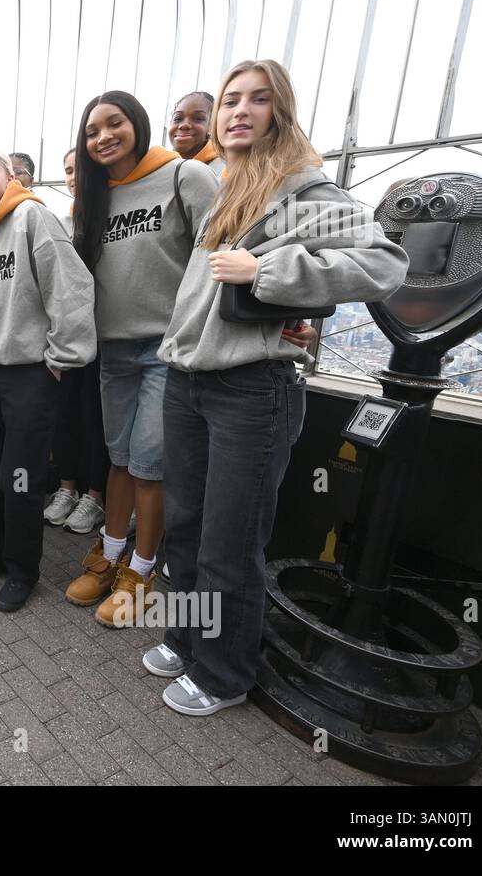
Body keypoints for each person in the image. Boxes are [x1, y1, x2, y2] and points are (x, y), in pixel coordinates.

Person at [151, 59, 408, 716]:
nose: (238, 110)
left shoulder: (305, 193)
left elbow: (383, 261)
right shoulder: (226, 188)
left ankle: (224, 673)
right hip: (188, 382)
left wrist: (267, 269)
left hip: (251, 390)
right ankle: (185, 639)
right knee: (184, 528)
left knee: (228, 542)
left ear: (278, 112)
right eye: (230, 99)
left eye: (256, 100)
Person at [63, 91, 220, 625]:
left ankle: (143, 571)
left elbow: (226, 249)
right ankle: (110, 558)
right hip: (114, 351)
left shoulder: (185, 177)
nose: (103, 137)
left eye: (115, 124)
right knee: (121, 461)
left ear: (138, 124)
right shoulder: (95, 196)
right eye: (92, 131)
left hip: (165, 350)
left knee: (151, 468)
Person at [0, 149, 96, 612]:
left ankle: (22, 569)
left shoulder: (33, 217)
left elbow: (70, 286)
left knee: (20, 478)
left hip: (32, 373)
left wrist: (60, 357)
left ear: (9, 177)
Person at [44, 145, 109, 535]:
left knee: (95, 420)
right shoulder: (61, 222)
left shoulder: (107, 218)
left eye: (79, 169)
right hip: (67, 341)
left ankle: (96, 496)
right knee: (64, 417)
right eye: (67, 170)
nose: (72, 177)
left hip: (105, 339)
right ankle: (66, 488)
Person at [169, 91, 225, 176]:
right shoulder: (161, 168)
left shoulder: (224, 171)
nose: (184, 125)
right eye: (178, 118)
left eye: (198, 118)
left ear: (212, 126)